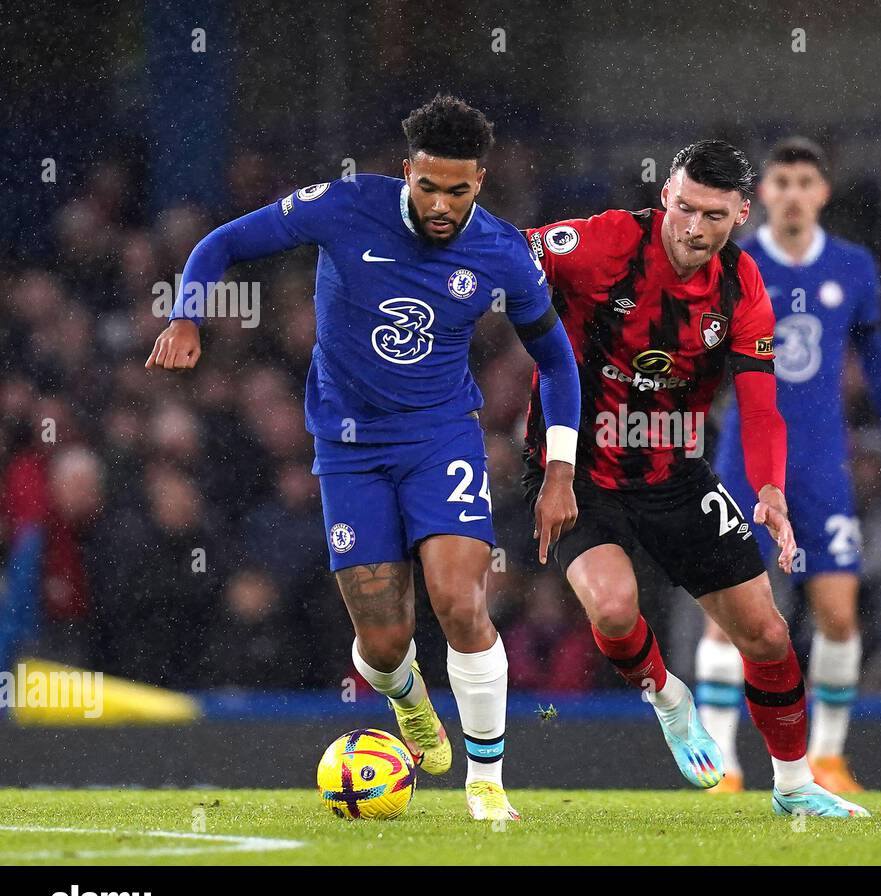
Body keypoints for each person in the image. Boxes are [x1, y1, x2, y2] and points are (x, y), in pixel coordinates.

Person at [146, 95, 581, 822]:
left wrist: (560, 468)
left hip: (440, 434)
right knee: (382, 643)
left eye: (460, 190)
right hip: (348, 447)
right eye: (429, 186)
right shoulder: (343, 206)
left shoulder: (504, 251)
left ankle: (487, 782)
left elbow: (558, 363)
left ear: (482, 180)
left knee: (460, 600)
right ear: (406, 171)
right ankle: (408, 698)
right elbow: (221, 243)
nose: (442, 204)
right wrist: (187, 311)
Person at [521, 141, 867, 817]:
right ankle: (668, 697)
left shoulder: (742, 289)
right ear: (665, 200)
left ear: (741, 213)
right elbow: (506, 253)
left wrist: (770, 490)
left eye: (712, 214)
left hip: (675, 473)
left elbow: (761, 406)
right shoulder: (604, 242)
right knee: (616, 608)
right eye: (682, 207)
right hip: (578, 471)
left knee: (766, 633)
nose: (692, 227)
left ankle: (795, 786)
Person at [697, 137, 881, 794]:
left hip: (822, 461)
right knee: (727, 610)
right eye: (781, 182)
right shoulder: (733, 262)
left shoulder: (852, 267)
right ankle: (719, 761)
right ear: (760, 194)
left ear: (821, 192)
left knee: (837, 612)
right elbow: (697, 351)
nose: (792, 193)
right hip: (743, 455)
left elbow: (877, 361)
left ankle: (826, 755)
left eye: (805, 182)